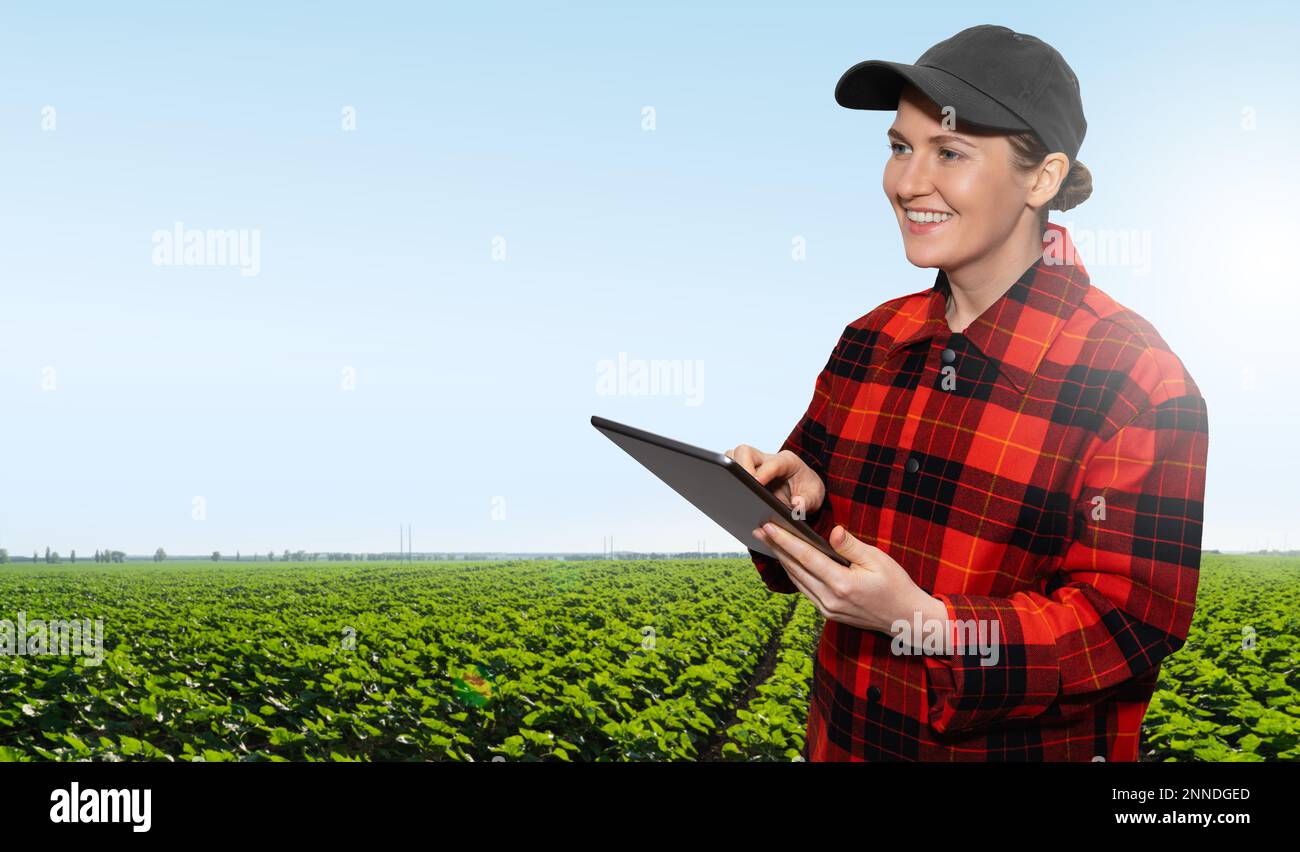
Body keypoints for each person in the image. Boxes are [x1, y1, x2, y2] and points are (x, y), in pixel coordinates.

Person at [727, 25, 1208, 761]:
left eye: (949, 152)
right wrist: (801, 497)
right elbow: (809, 549)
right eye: (898, 147)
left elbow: (1129, 626)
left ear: (1043, 178)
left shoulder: (1136, 379)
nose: (908, 182)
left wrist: (926, 622)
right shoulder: (870, 340)